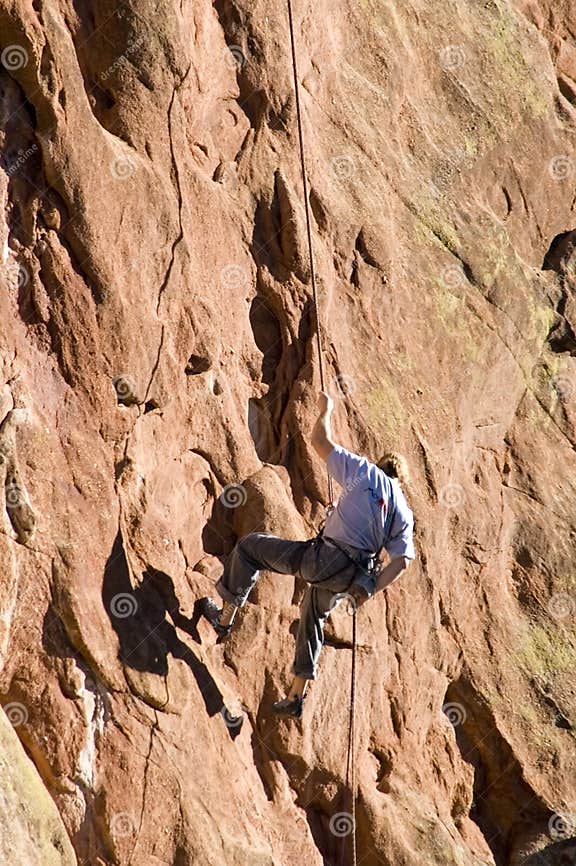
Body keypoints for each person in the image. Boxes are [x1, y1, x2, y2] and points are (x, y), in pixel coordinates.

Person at [200, 390, 415, 719]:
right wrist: (369, 589)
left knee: (250, 548)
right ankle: (297, 695)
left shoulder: (366, 473)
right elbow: (401, 561)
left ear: (382, 464)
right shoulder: (403, 511)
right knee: (313, 613)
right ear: (401, 481)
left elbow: (319, 441)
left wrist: (325, 411)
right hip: (351, 577)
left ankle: (224, 619)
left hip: (323, 559)